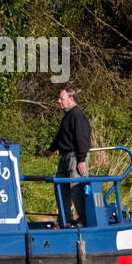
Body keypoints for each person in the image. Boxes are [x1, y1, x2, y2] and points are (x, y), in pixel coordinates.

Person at [44, 85, 91, 226]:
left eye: (61, 98)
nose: (59, 101)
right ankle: (65, 220)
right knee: (61, 188)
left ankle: (84, 220)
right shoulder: (67, 116)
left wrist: (81, 160)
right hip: (64, 157)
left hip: (75, 157)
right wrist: (50, 150)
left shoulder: (77, 115)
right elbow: (61, 137)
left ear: (71, 98)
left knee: (76, 189)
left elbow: (83, 138)